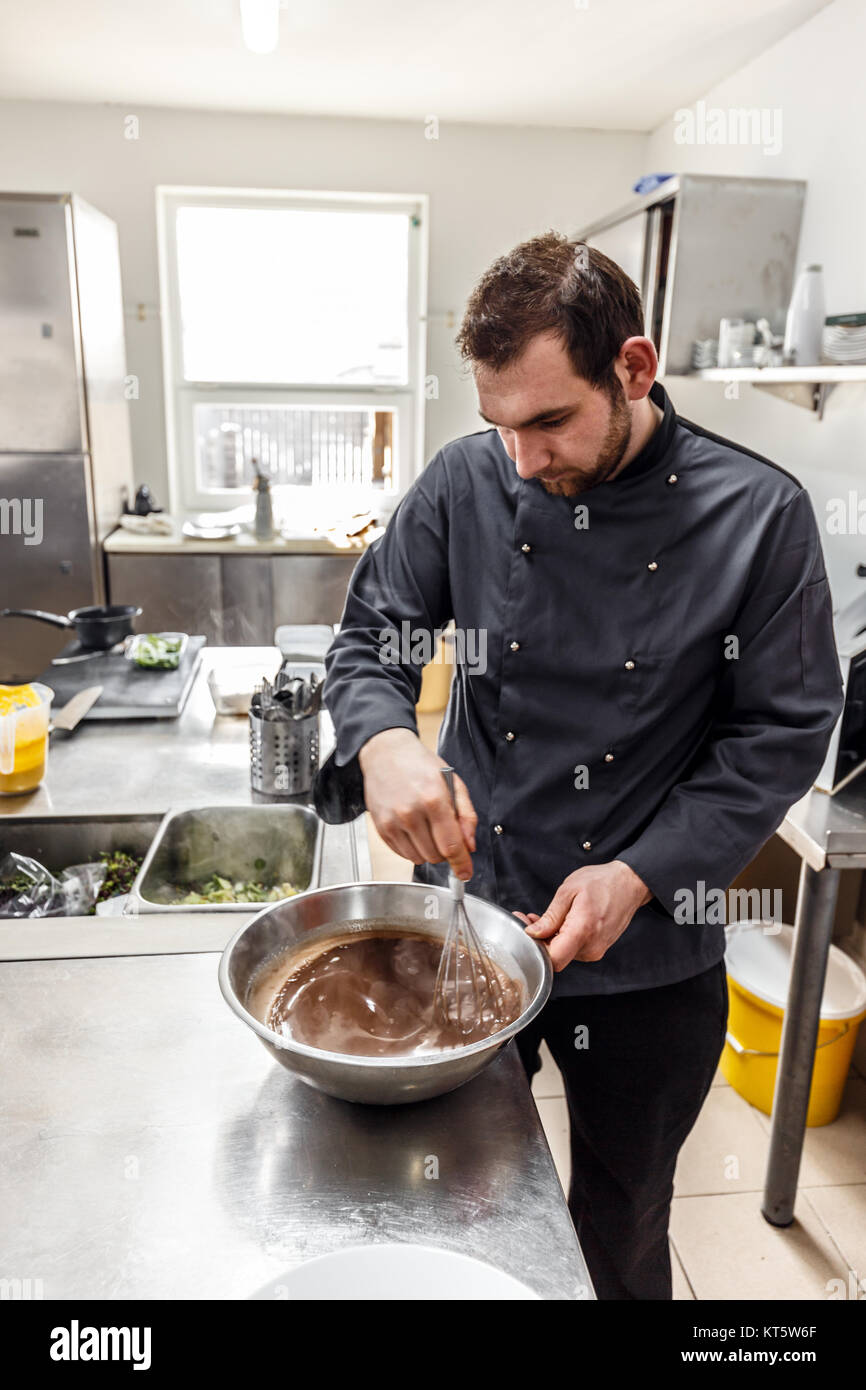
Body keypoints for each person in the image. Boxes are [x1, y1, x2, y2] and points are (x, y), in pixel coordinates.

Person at [314, 234, 844, 1299]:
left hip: (645, 957)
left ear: (632, 370)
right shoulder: (468, 480)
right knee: (451, 1200)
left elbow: (778, 733)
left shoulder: (757, 515)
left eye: (549, 421)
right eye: (498, 425)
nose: (520, 458)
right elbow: (373, 632)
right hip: (467, 919)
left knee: (620, 1220)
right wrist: (384, 743)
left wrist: (640, 871)